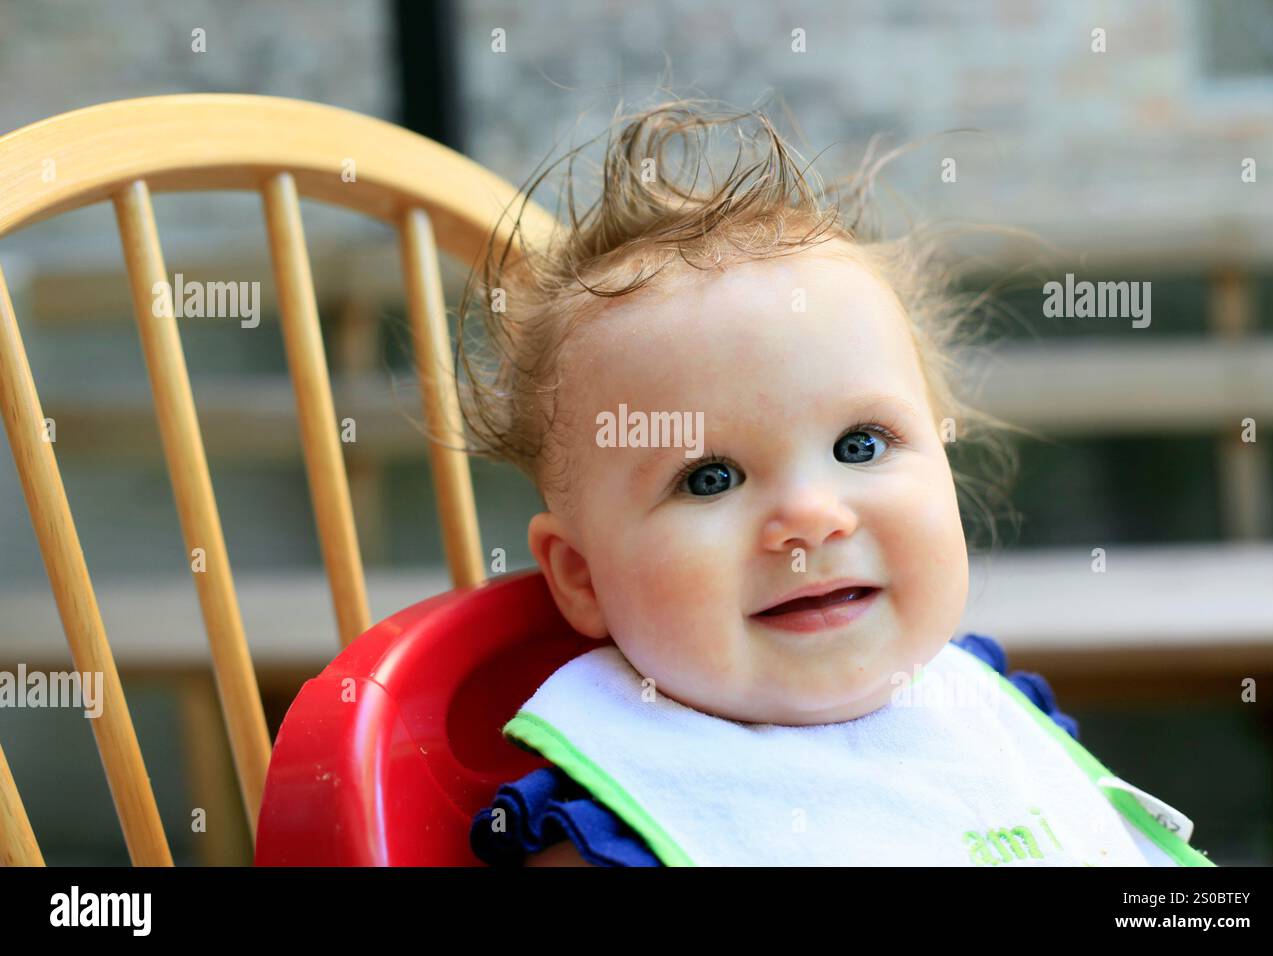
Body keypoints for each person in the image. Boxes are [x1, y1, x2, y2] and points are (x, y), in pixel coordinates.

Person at [455, 97, 1211, 867]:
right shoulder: (627, 821)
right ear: (581, 576)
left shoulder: (986, 719)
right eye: (710, 478)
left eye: (859, 445)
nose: (812, 518)